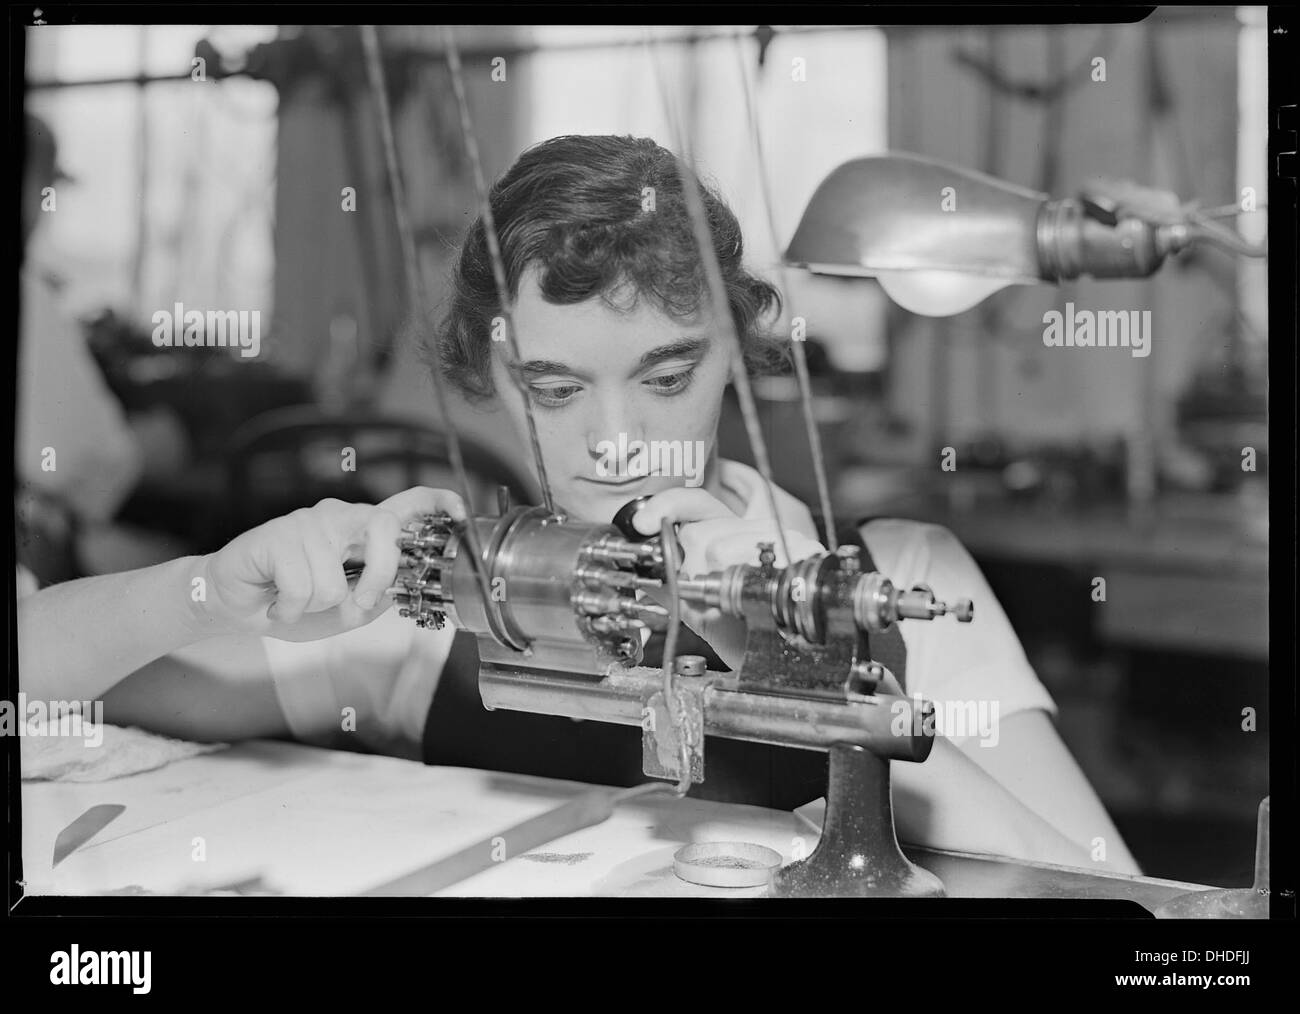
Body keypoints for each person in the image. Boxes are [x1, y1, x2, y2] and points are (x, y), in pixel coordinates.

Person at [16, 134, 1140, 875]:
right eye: (555, 388)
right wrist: (209, 589)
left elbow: (1122, 906)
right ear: (490, 381)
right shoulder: (443, 600)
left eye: (665, 375)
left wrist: (827, 682)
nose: (615, 438)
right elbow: (33, 691)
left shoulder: (897, 575)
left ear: (741, 358)